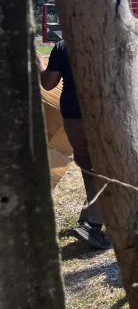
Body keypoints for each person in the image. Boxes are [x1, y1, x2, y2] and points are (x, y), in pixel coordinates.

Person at [38, 41, 111, 250]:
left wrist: (39, 64)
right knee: (107, 169)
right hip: (102, 116)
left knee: (89, 167)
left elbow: (48, 83)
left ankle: (90, 217)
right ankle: (92, 225)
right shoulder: (107, 40)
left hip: (73, 118)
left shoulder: (63, 46)